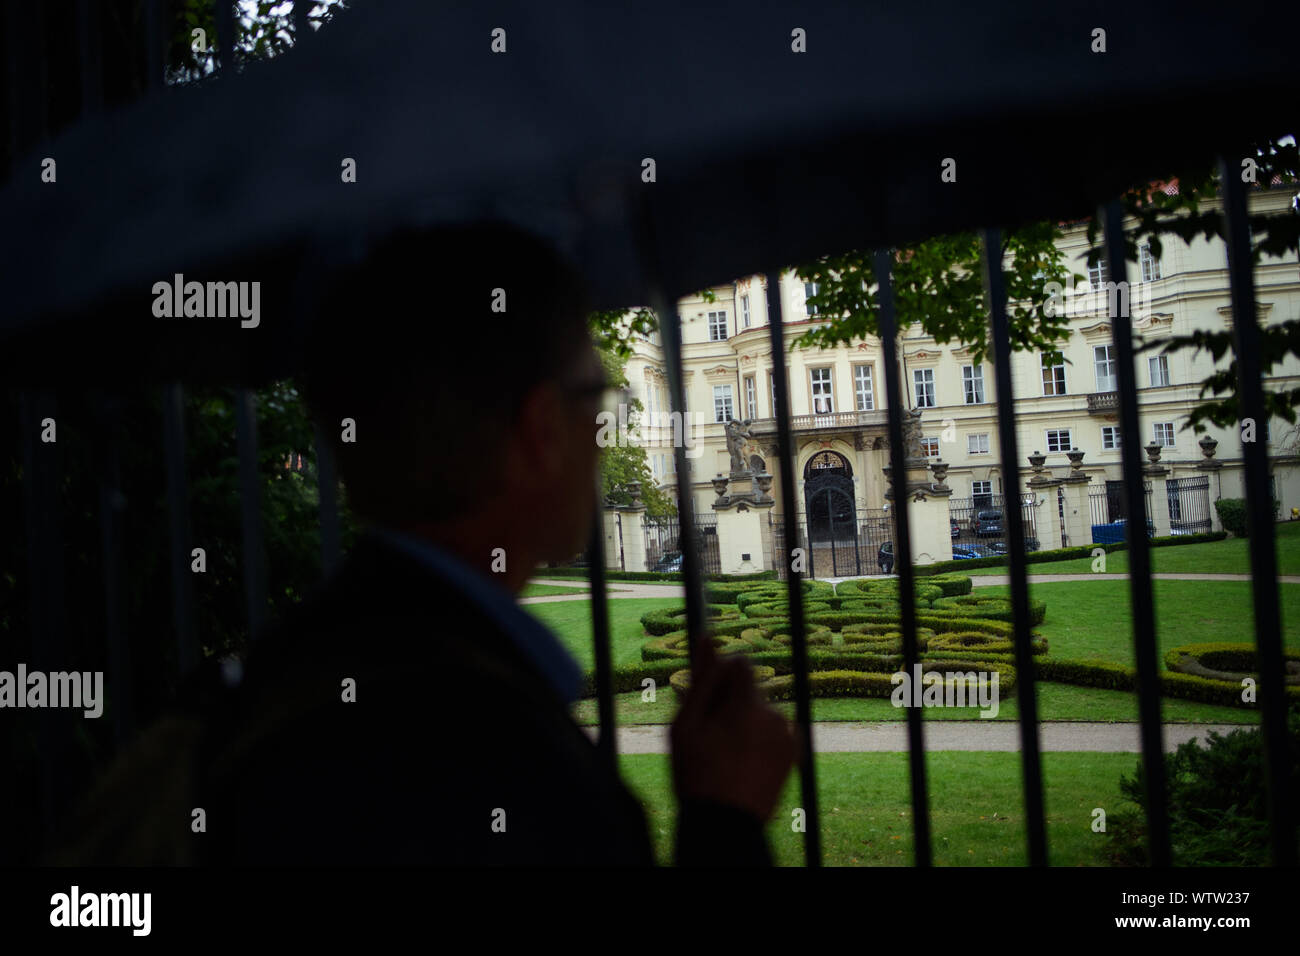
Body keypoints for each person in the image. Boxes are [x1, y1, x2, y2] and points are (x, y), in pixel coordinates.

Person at [54, 222, 796, 866]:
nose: (601, 441)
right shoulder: (504, 769)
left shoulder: (296, 669)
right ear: (540, 430)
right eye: (594, 403)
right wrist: (722, 821)